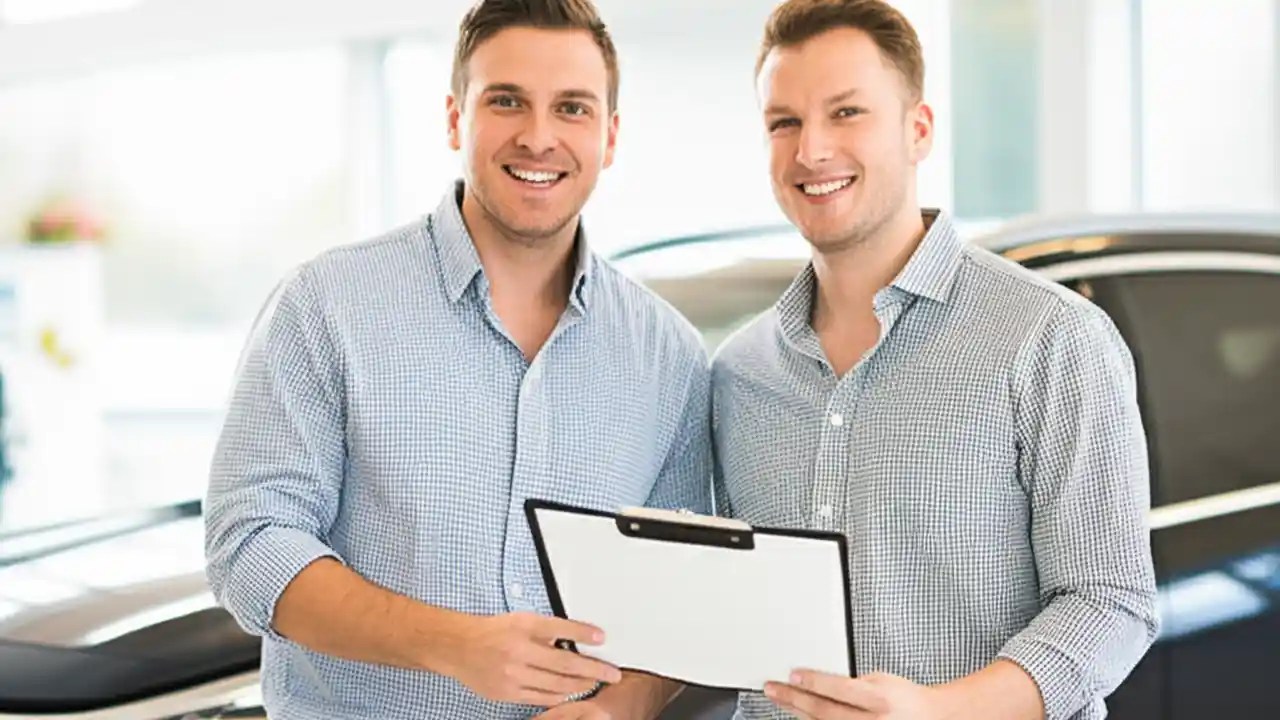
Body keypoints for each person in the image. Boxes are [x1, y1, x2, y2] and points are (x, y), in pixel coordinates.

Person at [204, 1, 711, 718]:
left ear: (610, 135)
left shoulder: (670, 357)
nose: (539, 137)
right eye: (507, 101)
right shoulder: (327, 307)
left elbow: (680, 601)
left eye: (571, 108)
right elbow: (249, 544)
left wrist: (615, 708)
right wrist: (453, 643)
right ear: (454, 118)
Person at [710, 1, 1160, 719]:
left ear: (917, 131)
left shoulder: (1049, 336)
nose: (811, 150)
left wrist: (934, 712)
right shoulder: (740, 373)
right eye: (783, 122)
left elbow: (1111, 601)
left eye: (847, 113)